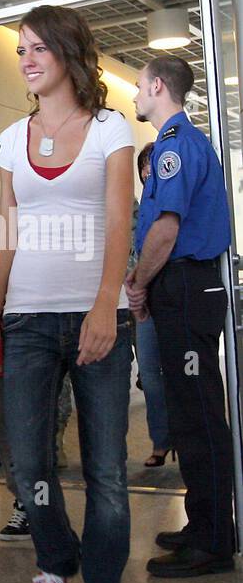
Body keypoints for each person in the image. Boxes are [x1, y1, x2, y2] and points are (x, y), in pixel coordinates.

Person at [0, 5, 135, 583]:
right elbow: (5, 234)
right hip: (27, 318)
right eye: (21, 51)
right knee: (29, 460)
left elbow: (120, 221)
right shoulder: (13, 139)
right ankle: (55, 557)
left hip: (97, 314)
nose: (27, 60)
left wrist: (105, 303)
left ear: (70, 54)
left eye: (38, 48)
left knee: (105, 468)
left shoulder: (109, 130)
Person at [127, 56, 236, 576]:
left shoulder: (174, 148)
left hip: (186, 285)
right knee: (189, 410)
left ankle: (214, 542)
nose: (134, 94)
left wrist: (138, 283)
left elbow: (166, 231)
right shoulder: (181, 144)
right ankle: (204, 523)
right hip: (184, 286)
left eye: (138, 86)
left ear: (156, 86)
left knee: (198, 415)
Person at [133, 141, 173, 468]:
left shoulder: (171, 202)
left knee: (180, 371)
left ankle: (183, 441)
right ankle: (160, 440)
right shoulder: (138, 208)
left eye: (152, 164)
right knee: (148, 372)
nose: (148, 170)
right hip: (143, 303)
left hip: (173, 297)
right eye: (144, 165)